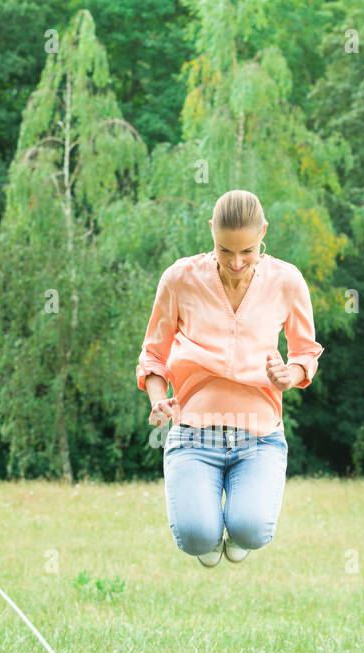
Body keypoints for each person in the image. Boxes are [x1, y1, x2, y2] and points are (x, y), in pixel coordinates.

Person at [136, 189, 324, 567]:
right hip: (193, 434)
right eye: (225, 250)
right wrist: (158, 399)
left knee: (252, 528)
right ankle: (203, 536)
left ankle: (243, 532)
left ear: (263, 234)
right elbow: (153, 355)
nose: (236, 262)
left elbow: (306, 352)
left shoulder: (287, 281)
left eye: (247, 251)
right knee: (195, 536)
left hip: (259, 437)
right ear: (211, 233)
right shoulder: (179, 279)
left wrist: (291, 374)